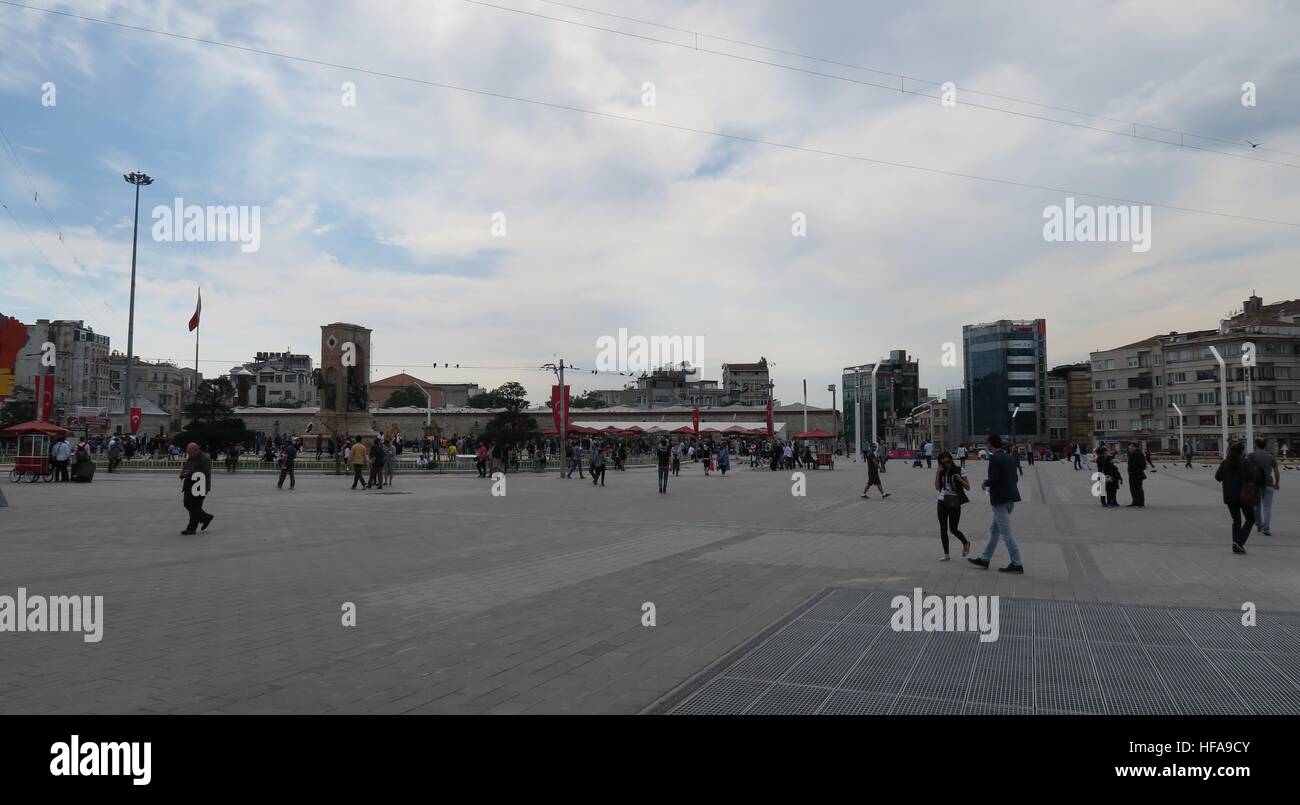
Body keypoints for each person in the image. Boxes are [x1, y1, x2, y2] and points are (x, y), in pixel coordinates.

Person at [969, 434, 1024, 573]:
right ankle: (985, 558)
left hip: (1000, 500)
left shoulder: (994, 458)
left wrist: (985, 483)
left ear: (990, 444)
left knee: (1006, 533)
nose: (986, 446)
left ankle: (1016, 563)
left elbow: (994, 479)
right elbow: (1015, 478)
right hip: (1010, 499)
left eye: (987, 443)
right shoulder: (1009, 457)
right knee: (994, 530)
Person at [1215, 441, 1263, 554]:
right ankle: (1239, 542)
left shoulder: (1225, 463)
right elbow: (1252, 477)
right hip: (1244, 496)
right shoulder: (1245, 463)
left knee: (1236, 520)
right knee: (1250, 519)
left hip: (1230, 497)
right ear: (1242, 452)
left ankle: (1235, 544)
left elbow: (1217, 477)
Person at [934, 451, 971, 560]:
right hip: (942, 501)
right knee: (943, 528)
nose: (946, 464)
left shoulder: (960, 470)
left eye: (947, 461)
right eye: (943, 463)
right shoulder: (941, 471)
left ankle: (966, 543)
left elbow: (968, 487)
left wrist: (960, 479)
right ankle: (946, 555)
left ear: (950, 459)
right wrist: (937, 473)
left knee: (953, 529)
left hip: (954, 502)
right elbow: (937, 487)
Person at [179, 442, 214, 534]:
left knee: (195, 507)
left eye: (190, 452)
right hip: (189, 485)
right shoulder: (191, 456)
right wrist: (182, 474)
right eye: (188, 453)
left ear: (196, 450)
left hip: (200, 486)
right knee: (187, 503)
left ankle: (191, 528)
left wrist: (189, 473)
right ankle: (206, 517)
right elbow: (186, 466)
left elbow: (203, 472)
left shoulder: (205, 459)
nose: (189, 455)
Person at [1251, 437, 1280, 536]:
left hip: (1255, 485)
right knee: (1267, 507)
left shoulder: (1251, 456)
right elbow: (1276, 472)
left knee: (1256, 506)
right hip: (1268, 484)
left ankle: (1259, 524)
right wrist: (1277, 483)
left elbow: (1247, 471)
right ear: (1266, 445)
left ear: (1256, 445)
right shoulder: (1271, 457)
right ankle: (1266, 528)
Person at [1126, 442, 1146, 507]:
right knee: (1138, 488)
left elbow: (1134, 465)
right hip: (1138, 473)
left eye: (1130, 447)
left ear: (1134, 447)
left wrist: (1133, 471)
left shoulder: (1135, 454)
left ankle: (1137, 502)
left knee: (1135, 488)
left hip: (1135, 474)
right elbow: (1143, 465)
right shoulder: (1139, 453)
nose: (1129, 448)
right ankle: (1139, 502)